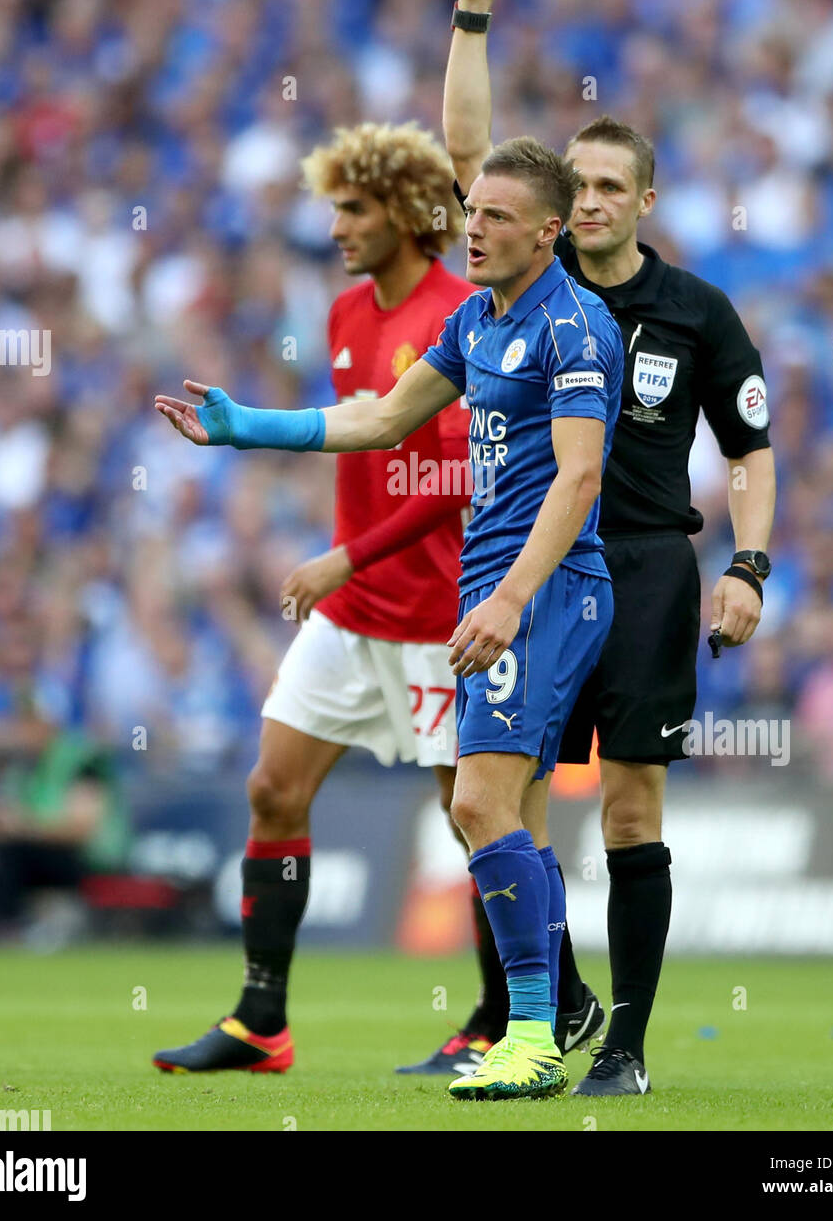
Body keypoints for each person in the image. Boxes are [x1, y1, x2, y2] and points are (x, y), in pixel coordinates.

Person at [155, 135, 624, 1101]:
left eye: (494, 215)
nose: (474, 227)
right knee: (510, 816)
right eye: (473, 210)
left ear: (547, 231)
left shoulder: (575, 328)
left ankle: (530, 1032)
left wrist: (506, 595)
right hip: (490, 592)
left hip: (542, 591)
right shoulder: (480, 323)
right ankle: (545, 1017)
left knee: (476, 806)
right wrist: (248, 427)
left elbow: (580, 477)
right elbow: (377, 420)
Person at [443, 0, 776, 1096]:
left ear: (642, 198)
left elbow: (750, 447)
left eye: (600, 187)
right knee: (492, 804)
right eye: (569, 186)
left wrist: (751, 566)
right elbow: (469, 155)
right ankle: (559, 998)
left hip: (640, 568)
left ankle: (622, 1045)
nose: (580, 203)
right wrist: (473, 14)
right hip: (543, 564)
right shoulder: (535, 283)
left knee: (631, 805)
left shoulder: (697, 310)